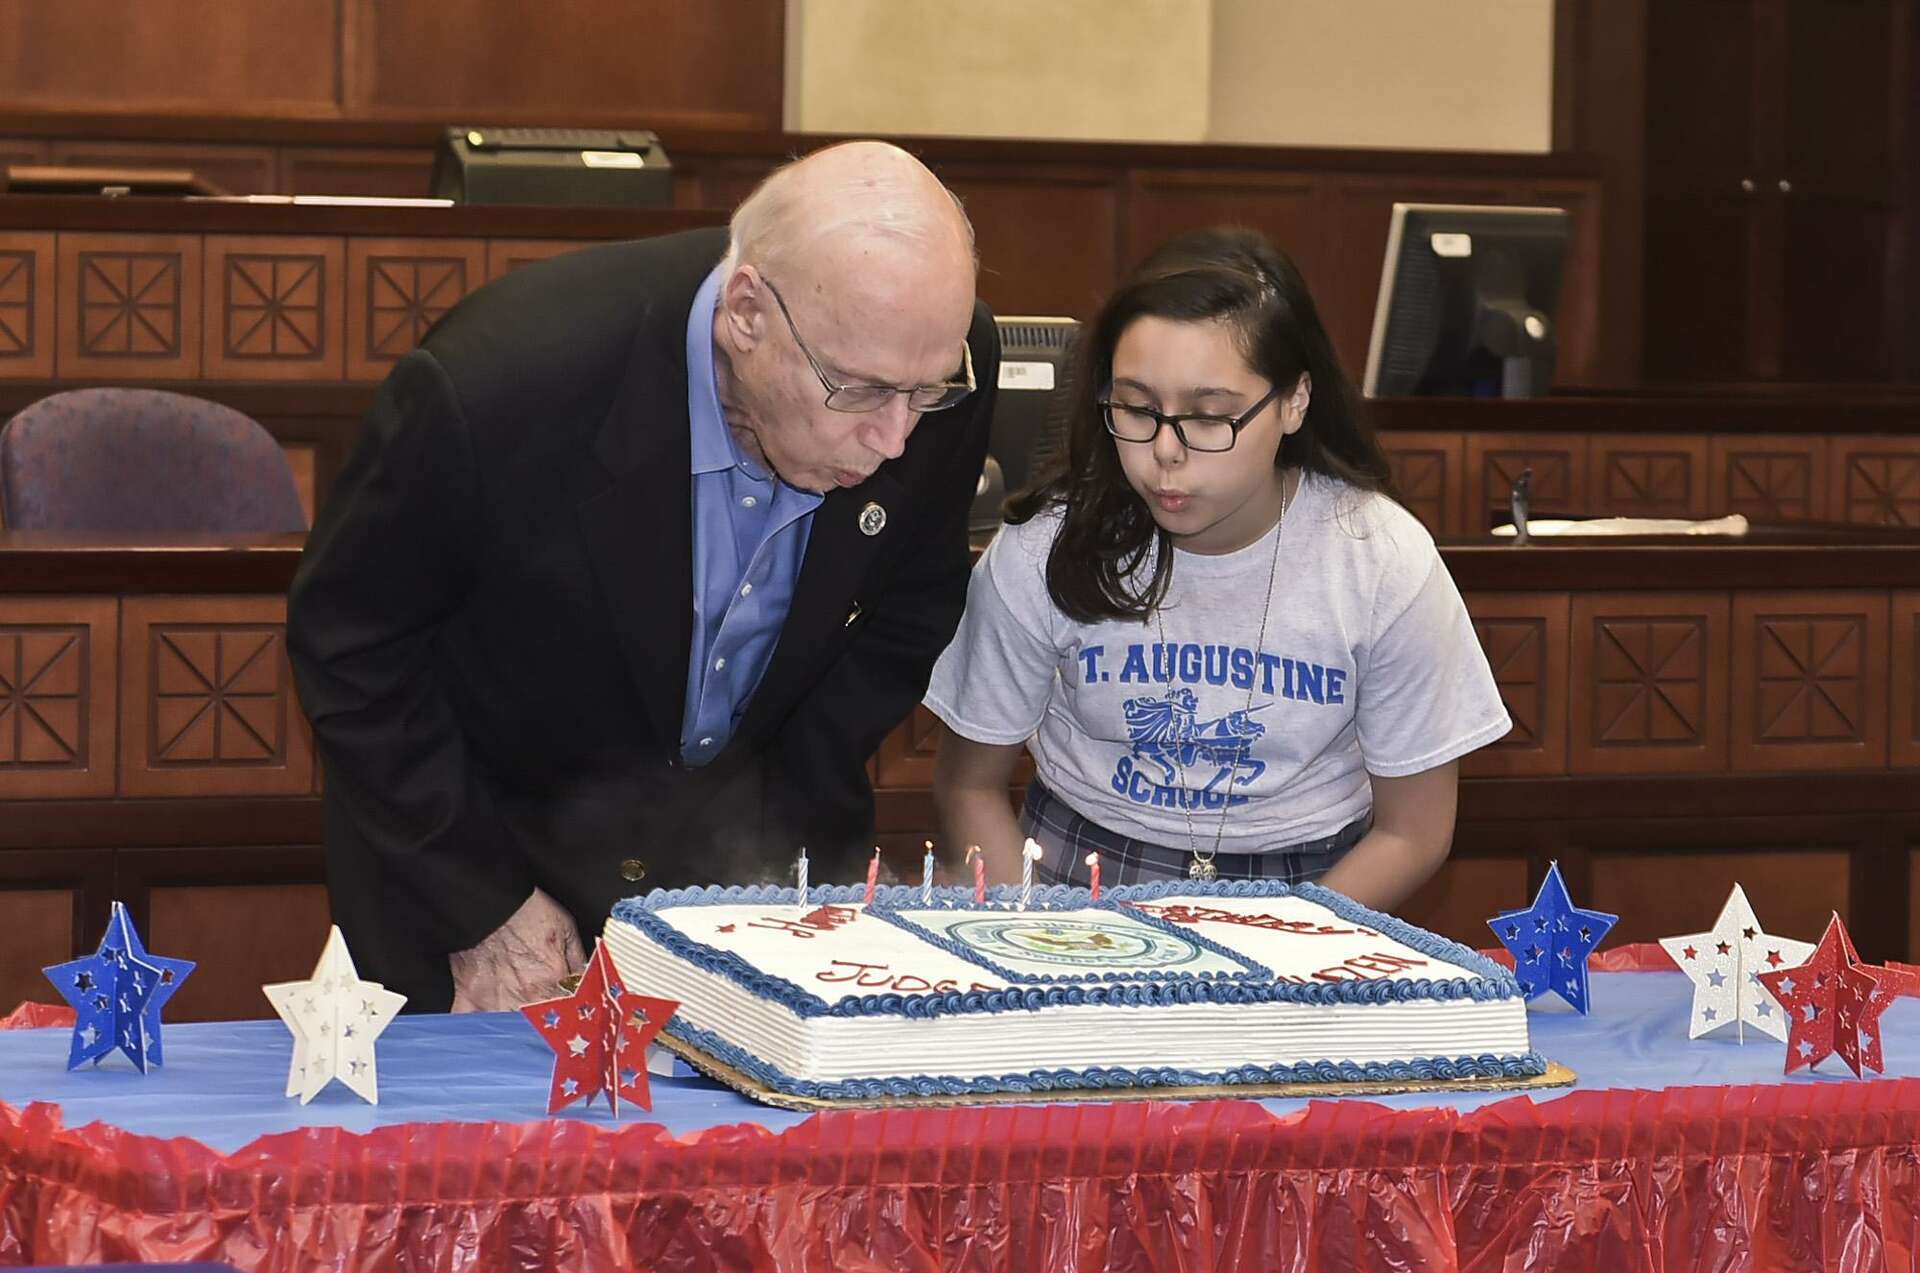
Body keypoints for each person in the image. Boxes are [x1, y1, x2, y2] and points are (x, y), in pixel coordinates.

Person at [288, 141, 998, 1012]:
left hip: (747, 886)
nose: (896, 438)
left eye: (925, 394)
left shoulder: (932, 361)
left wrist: (767, 853)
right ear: (746, 314)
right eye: (858, 392)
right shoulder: (500, 387)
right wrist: (481, 901)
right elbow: (351, 645)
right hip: (480, 869)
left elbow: (910, 603)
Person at [925, 226, 1506, 909]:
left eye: (1209, 418)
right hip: (1071, 892)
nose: (1165, 452)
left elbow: (1414, 831)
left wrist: (1289, 949)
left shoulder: (1382, 561)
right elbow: (969, 785)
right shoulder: (1044, 545)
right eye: (1137, 408)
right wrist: (1030, 931)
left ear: (1294, 401)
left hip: (1313, 899)